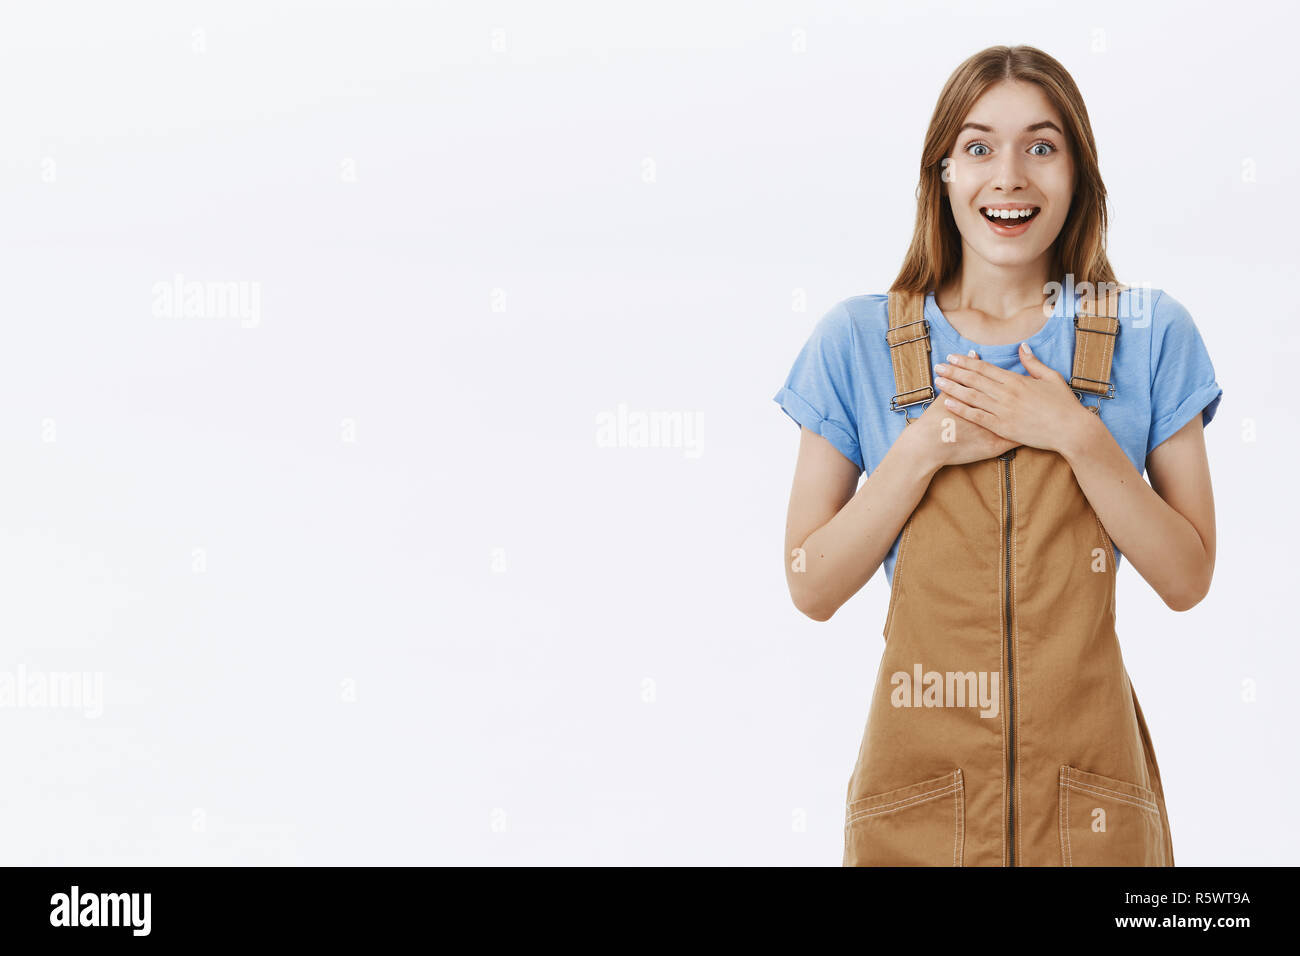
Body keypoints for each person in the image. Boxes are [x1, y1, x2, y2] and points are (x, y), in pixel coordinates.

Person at [772, 45, 1222, 866]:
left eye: (1041, 147)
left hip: (1092, 812)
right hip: (916, 814)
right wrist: (921, 448)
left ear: (1079, 172)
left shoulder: (1150, 336)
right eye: (978, 148)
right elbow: (811, 583)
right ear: (940, 174)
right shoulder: (859, 342)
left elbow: (1188, 577)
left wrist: (1078, 435)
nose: (1009, 176)